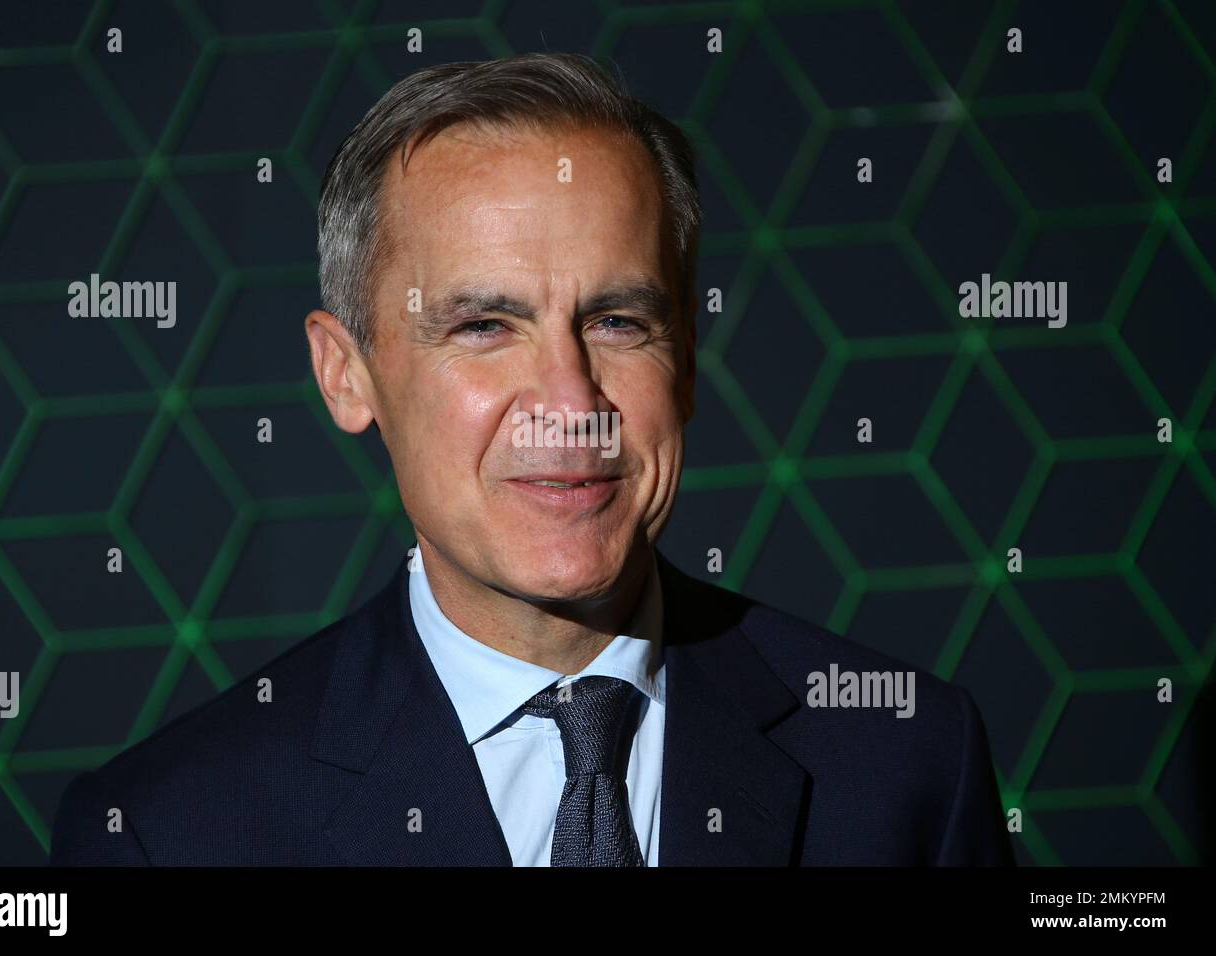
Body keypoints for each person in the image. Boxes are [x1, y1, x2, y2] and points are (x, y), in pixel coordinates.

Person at [49, 52, 1013, 866]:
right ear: (347, 375)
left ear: (685, 367)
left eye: (619, 321)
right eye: (483, 325)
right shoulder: (167, 838)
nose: (570, 404)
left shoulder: (908, 767)